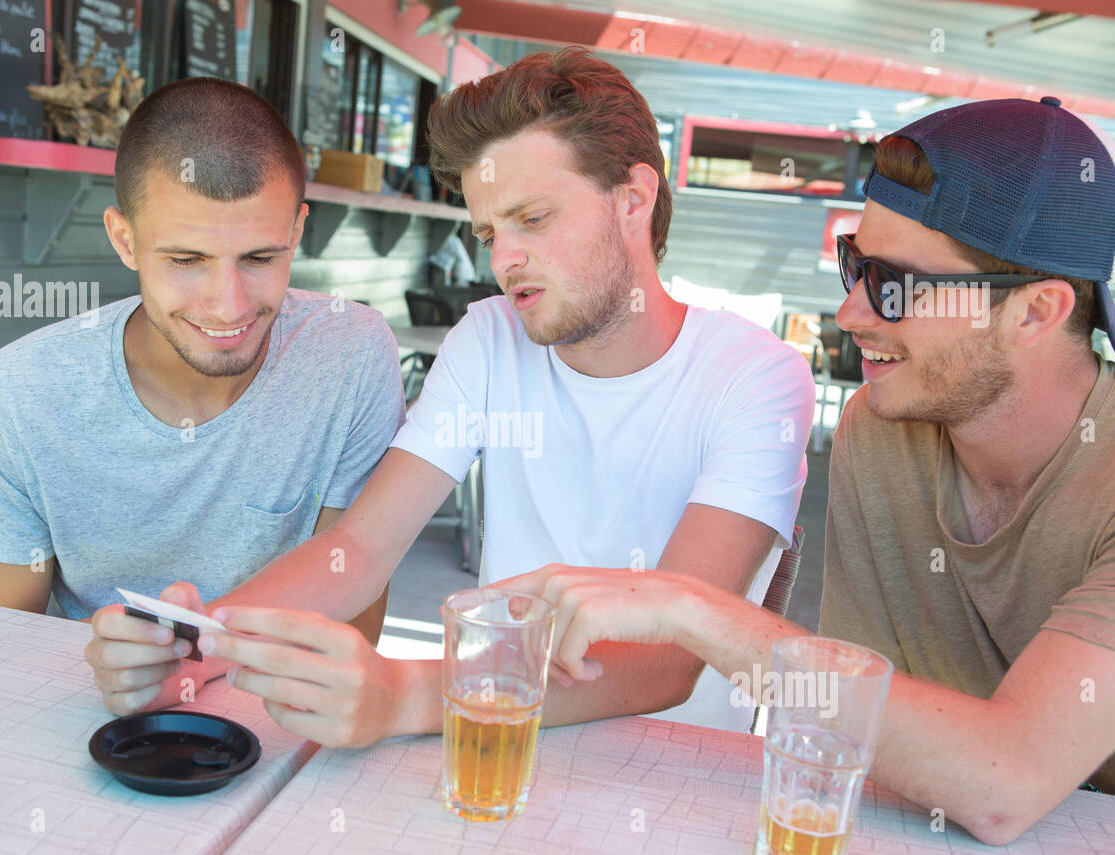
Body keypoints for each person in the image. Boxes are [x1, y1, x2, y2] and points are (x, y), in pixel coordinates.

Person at [86, 46, 816, 745]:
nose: (504, 260)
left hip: (670, 780)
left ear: (634, 198)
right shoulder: (491, 337)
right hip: (488, 744)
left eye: (533, 219)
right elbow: (359, 549)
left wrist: (403, 694)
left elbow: (667, 660)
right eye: (488, 231)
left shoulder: (757, 376)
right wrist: (199, 641)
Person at [497, 95, 1115, 846]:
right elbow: (847, 724)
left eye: (893, 284)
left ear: (1035, 313)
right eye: (855, 264)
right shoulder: (882, 430)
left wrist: (685, 609)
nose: (850, 314)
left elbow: (1004, 783)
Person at [0, 78, 405, 714]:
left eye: (259, 257)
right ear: (124, 238)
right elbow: (7, 643)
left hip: (283, 714)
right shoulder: (25, 390)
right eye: (186, 259)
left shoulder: (352, 355)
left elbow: (354, 628)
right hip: (94, 706)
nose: (229, 306)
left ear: (298, 231)